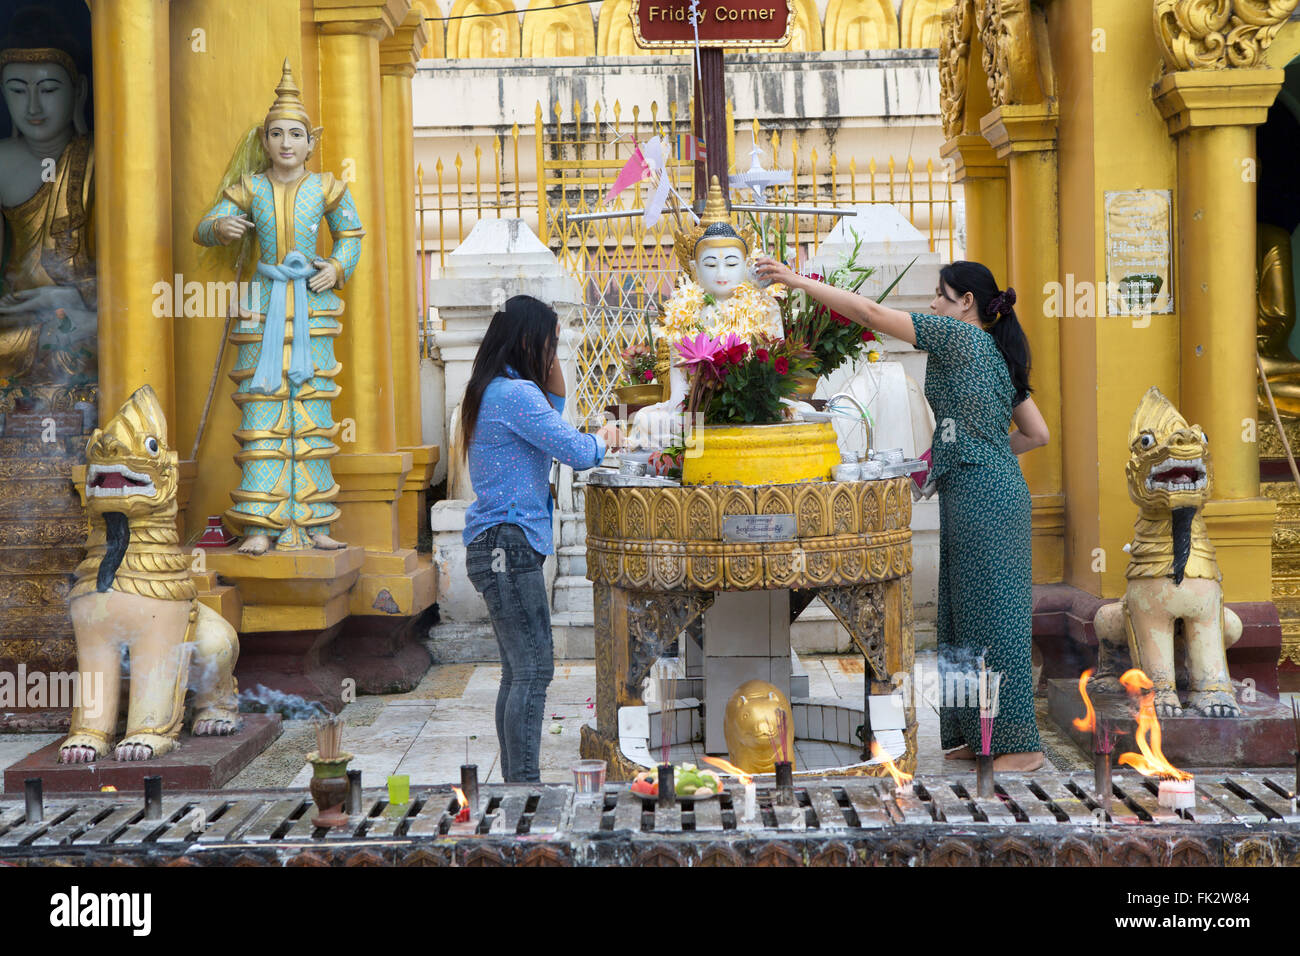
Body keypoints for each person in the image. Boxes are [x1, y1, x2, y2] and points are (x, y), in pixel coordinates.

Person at [755, 255, 1050, 772]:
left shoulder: (963, 338)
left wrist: (796, 280)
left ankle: (1019, 746)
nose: (934, 303)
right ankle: (972, 738)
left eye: (941, 294)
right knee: (960, 618)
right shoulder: (998, 355)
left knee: (995, 620)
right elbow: (1036, 433)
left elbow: (869, 313)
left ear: (967, 303)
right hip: (981, 491)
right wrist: (972, 450)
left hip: (987, 501)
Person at [195, 60, 362, 554]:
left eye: (296, 134)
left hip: (312, 305)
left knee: (310, 409)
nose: (286, 143)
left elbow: (352, 233)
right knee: (263, 412)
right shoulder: (250, 188)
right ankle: (263, 525)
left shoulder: (328, 187)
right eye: (276, 134)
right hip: (265, 303)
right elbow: (207, 223)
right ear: (264, 141)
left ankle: (312, 521)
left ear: (312, 141)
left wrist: (336, 265)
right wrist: (220, 228)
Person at [460, 295, 622, 783]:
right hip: (508, 545)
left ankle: (516, 785)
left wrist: (550, 362)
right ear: (531, 341)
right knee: (532, 671)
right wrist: (609, 436)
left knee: (518, 672)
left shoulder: (498, 388)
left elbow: (553, 406)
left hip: (497, 544)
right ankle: (524, 786)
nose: (555, 353)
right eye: (552, 343)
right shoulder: (513, 395)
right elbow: (577, 450)